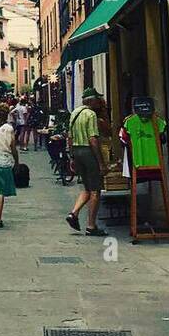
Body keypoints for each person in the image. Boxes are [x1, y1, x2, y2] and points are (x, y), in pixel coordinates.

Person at [65, 87, 107, 236]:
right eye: (97, 100)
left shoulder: (75, 113)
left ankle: (73, 213)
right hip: (88, 152)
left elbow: (69, 136)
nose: (99, 102)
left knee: (86, 187)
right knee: (95, 190)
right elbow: (93, 139)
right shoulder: (91, 115)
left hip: (76, 151)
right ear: (92, 101)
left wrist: (71, 157)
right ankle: (91, 225)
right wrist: (101, 162)